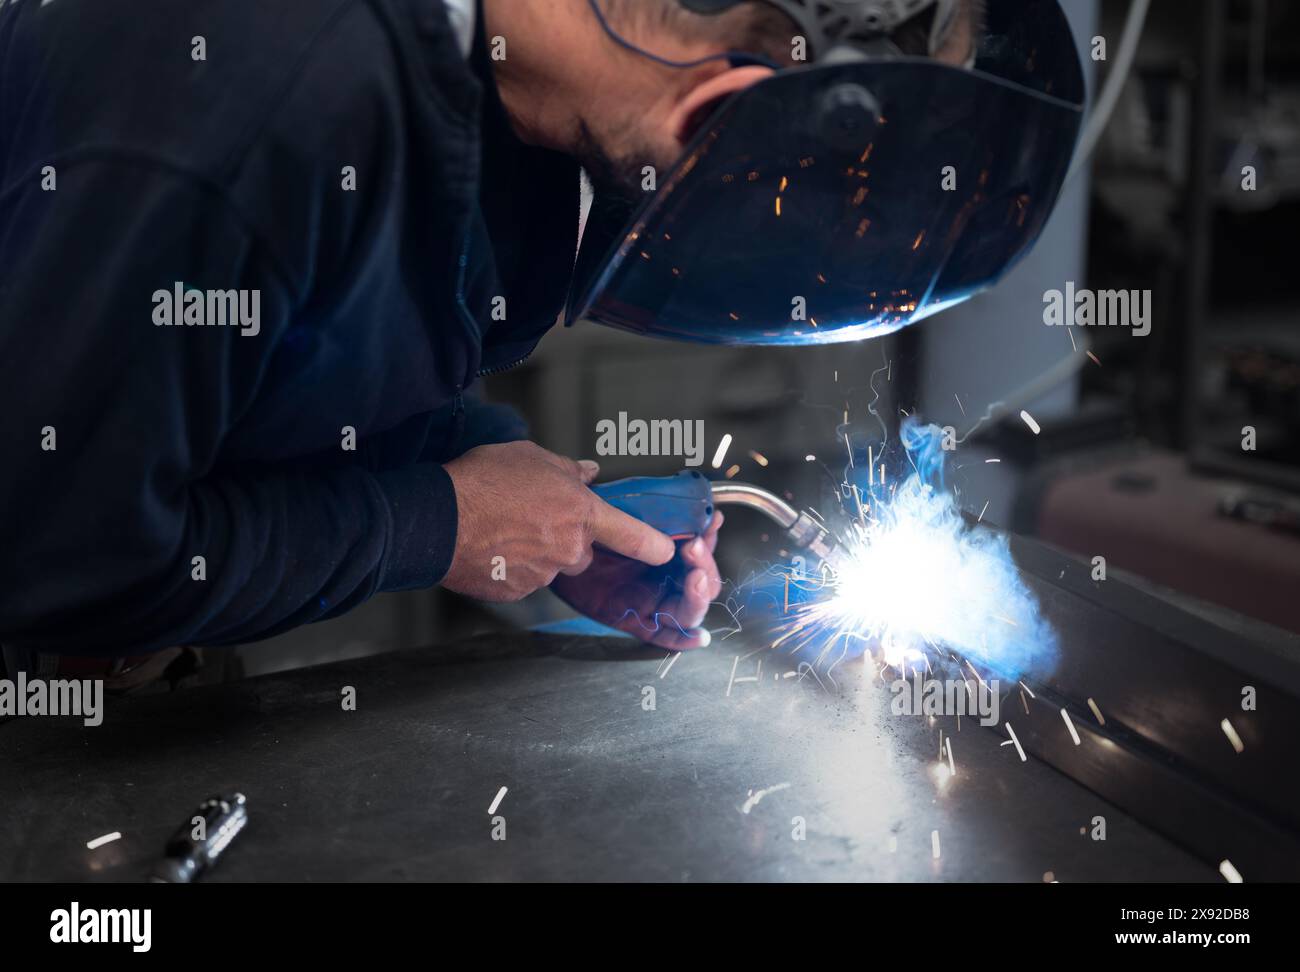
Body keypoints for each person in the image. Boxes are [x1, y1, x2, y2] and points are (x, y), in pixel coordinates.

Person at [0, 0, 1029, 670]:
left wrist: (500, 486)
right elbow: (63, 561)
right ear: (714, 107)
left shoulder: (488, 82)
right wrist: (438, 523)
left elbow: (245, 372)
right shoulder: (255, 90)